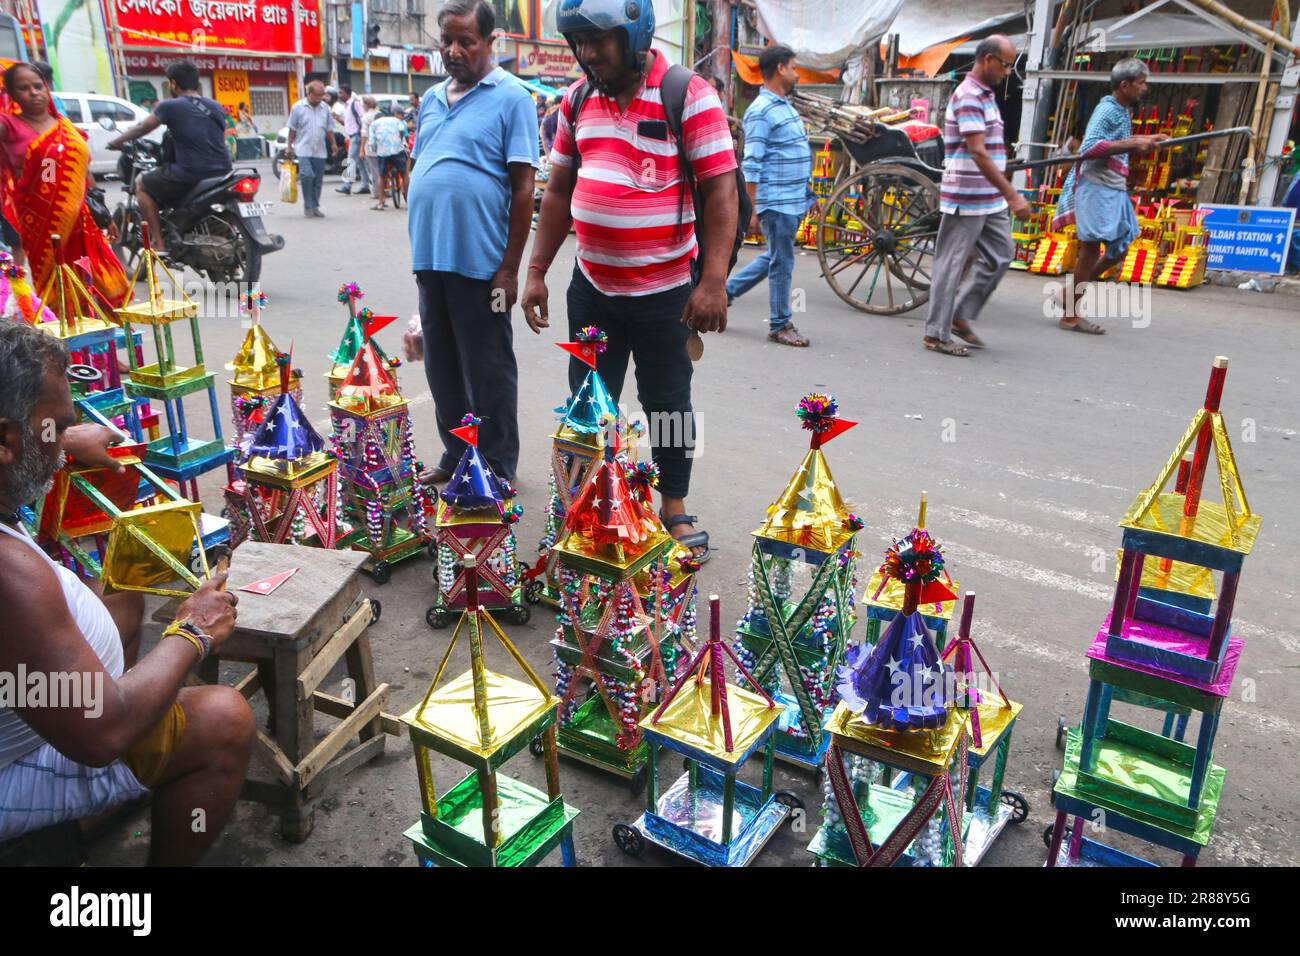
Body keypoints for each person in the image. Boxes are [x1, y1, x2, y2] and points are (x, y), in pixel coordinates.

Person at [0, 322, 253, 863]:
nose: (60, 454)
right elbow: (103, 731)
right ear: (5, 439)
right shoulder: (11, 578)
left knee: (122, 594)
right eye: (56, 430)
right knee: (224, 718)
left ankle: (113, 794)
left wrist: (63, 437)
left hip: (37, 704)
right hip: (26, 765)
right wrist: (192, 632)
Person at [521, 0, 739, 563]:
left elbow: (720, 189)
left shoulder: (687, 94)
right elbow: (560, 191)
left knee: (667, 401)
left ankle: (673, 504)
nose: (588, 53)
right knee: (587, 402)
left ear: (635, 34)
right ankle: (587, 502)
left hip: (667, 289)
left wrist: (712, 280)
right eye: (579, 42)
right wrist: (538, 269)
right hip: (592, 286)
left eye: (601, 41)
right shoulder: (577, 100)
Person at [407, 0, 537, 483]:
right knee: (441, 367)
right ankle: (457, 455)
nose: (454, 50)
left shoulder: (513, 98)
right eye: (447, 40)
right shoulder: (432, 98)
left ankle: (498, 466)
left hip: (484, 263)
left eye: (466, 40)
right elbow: (425, 165)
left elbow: (523, 190)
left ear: (489, 43)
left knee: (489, 369)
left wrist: (510, 268)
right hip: (431, 257)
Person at [923, 35, 1028, 357]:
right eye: (1006, 64)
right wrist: (1012, 195)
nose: (1008, 71)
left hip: (988, 196)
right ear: (987, 60)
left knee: (1001, 254)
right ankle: (936, 334)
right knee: (951, 263)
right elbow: (978, 152)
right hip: (967, 194)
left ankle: (959, 313)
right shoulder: (968, 95)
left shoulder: (986, 95)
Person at [1052, 58, 1167, 334]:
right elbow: (1090, 146)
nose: (1144, 89)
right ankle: (1070, 314)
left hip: (1112, 186)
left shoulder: (1122, 111)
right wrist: (1134, 142)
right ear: (1125, 85)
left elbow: (1114, 144)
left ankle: (1070, 295)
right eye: (1141, 83)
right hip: (1096, 185)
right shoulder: (1107, 110)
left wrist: (1142, 142)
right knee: (1090, 249)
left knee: (1121, 246)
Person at [0, 62, 128, 306]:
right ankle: (65, 340)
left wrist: (102, 211)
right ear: (12, 94)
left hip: (79, 218)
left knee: (95, 280)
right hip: (39, 221)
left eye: (38, 86)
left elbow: (82, 172)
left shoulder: (65, 127)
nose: (34, 92)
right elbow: (47, 173)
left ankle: (99, 336)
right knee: (56, 284)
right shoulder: (9, 125)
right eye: (23, 88)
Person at [725, 43, 811, 348]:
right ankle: (779, 323)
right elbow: (752, 163)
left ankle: (727, 291)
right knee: (782, 262)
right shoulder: (761, 111)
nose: (796, 72)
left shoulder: (782, 105)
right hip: (777, 200)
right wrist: (751, 209)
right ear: (780, 69)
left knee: (776, 256)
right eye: (793, 66)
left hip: (792, 198)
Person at [107, 60, 232, 256]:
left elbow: (142, 127)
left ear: (173, 84)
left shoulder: (170, 106)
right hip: (223, 170)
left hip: (190, 172)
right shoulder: (215, 106)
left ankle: (159, 243)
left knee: (141, 183)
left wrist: (116, 142)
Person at [285, 80, 338, 218]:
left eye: (322, 95)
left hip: (320, 150)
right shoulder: (298, 107)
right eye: (317, 95)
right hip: (303, 149)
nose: (320, 98)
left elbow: (329, 128)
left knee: (318, 180)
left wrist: (333, 143)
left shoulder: (325, 108)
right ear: (309, 94)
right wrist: (289, 146)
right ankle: (308, 206)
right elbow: (292, 128)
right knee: (307, 175)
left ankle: (315, 206)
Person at [368, 105, 408, 211]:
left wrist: (375, 150)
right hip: (397, 150)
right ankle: (409, 201)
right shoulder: (396, 120)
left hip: (383, 152)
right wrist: (399, 141)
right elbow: (402, 130)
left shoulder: (373, 124)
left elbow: (371, 142)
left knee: (382, 176)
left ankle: (381, 202)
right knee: (404, 174)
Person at [335, 84, 372, 196]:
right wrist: (337, 117)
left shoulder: (354, 104)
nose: (339, 95)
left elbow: (362, 118)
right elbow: (348, 122)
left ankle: (347, 185)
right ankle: (366, 184)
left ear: (347, 93)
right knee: (360, 162)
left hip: (357, 135)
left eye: (341, 92)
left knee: (351, 160)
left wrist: (362, 134)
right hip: (351, 136)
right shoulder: (346, 106)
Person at [359, 95, 380, 197]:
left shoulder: (366, 116)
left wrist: (362, 149)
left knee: (374, 170)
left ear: (366, 105)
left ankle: (376, 192)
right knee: (382, 170)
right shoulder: (380, 114)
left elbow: (364, 134)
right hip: (383, 146)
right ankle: (385, 190)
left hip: (371, 146)